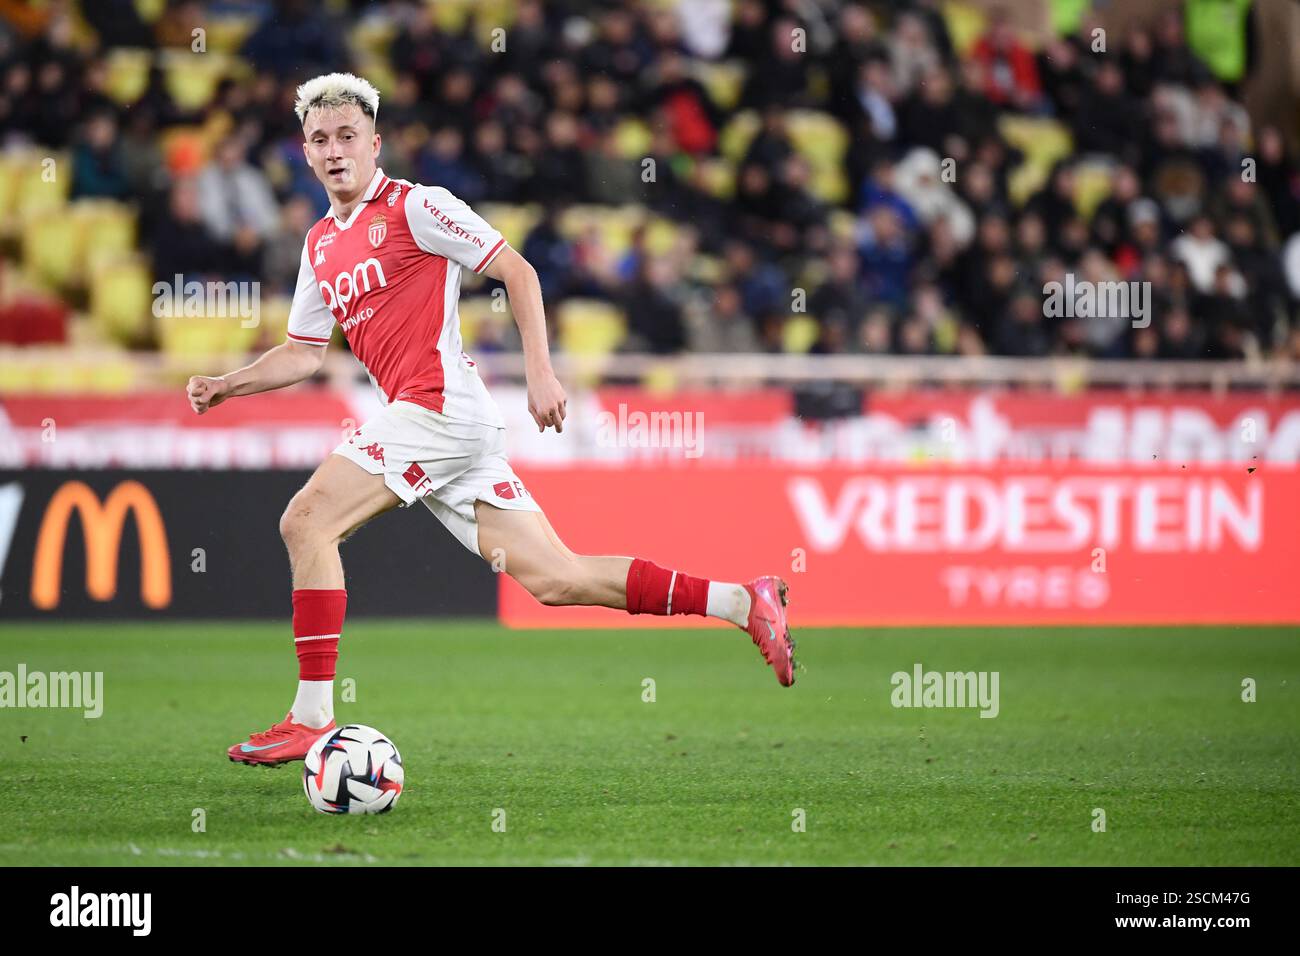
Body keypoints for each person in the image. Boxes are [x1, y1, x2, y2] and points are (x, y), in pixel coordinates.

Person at [184, 74, 797, 766]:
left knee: (306, 520)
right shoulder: (320, 244)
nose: (335, 151)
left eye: (347, 136)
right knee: (558, 579)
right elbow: (302, 353)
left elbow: (518, 271)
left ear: (374, 144)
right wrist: (227, 385)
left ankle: (312, 718)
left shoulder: (418, 207)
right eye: (320, 139)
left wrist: (540, 371)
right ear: (304, 152)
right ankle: (744, 603)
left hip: (437, 408)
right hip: (439, 423)